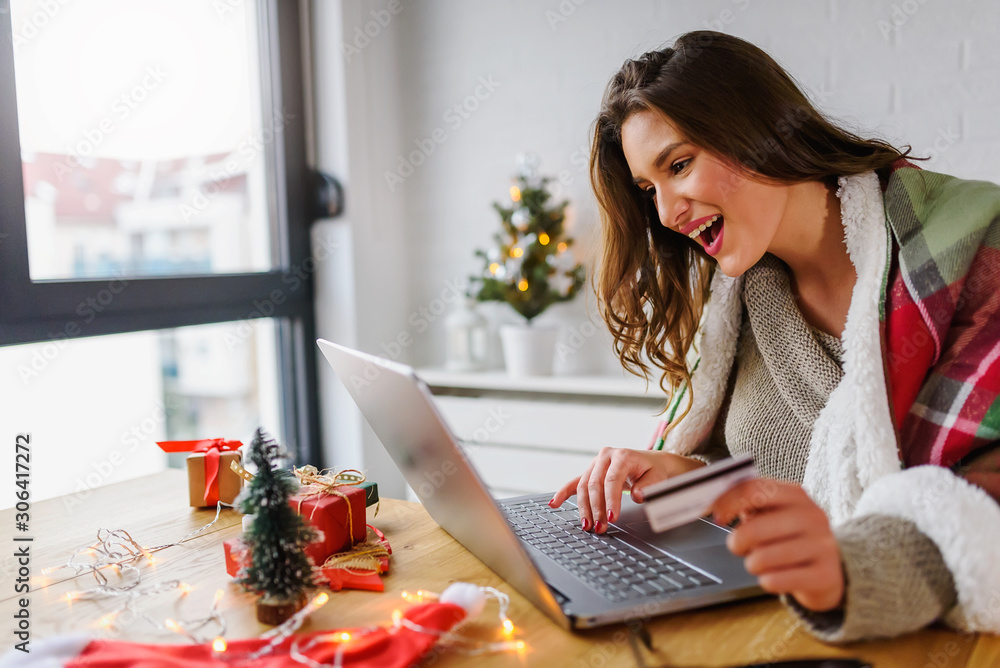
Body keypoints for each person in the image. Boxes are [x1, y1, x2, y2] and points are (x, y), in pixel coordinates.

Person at [550, 30, 1000, 642]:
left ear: (758, 130)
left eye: (679, 165)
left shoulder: (972, 249)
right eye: (649, 189)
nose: (664, 214)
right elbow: (768, 477)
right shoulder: (744, 297)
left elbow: (983, 504)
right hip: (771, 627)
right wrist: (682, 477)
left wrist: (852, 569)